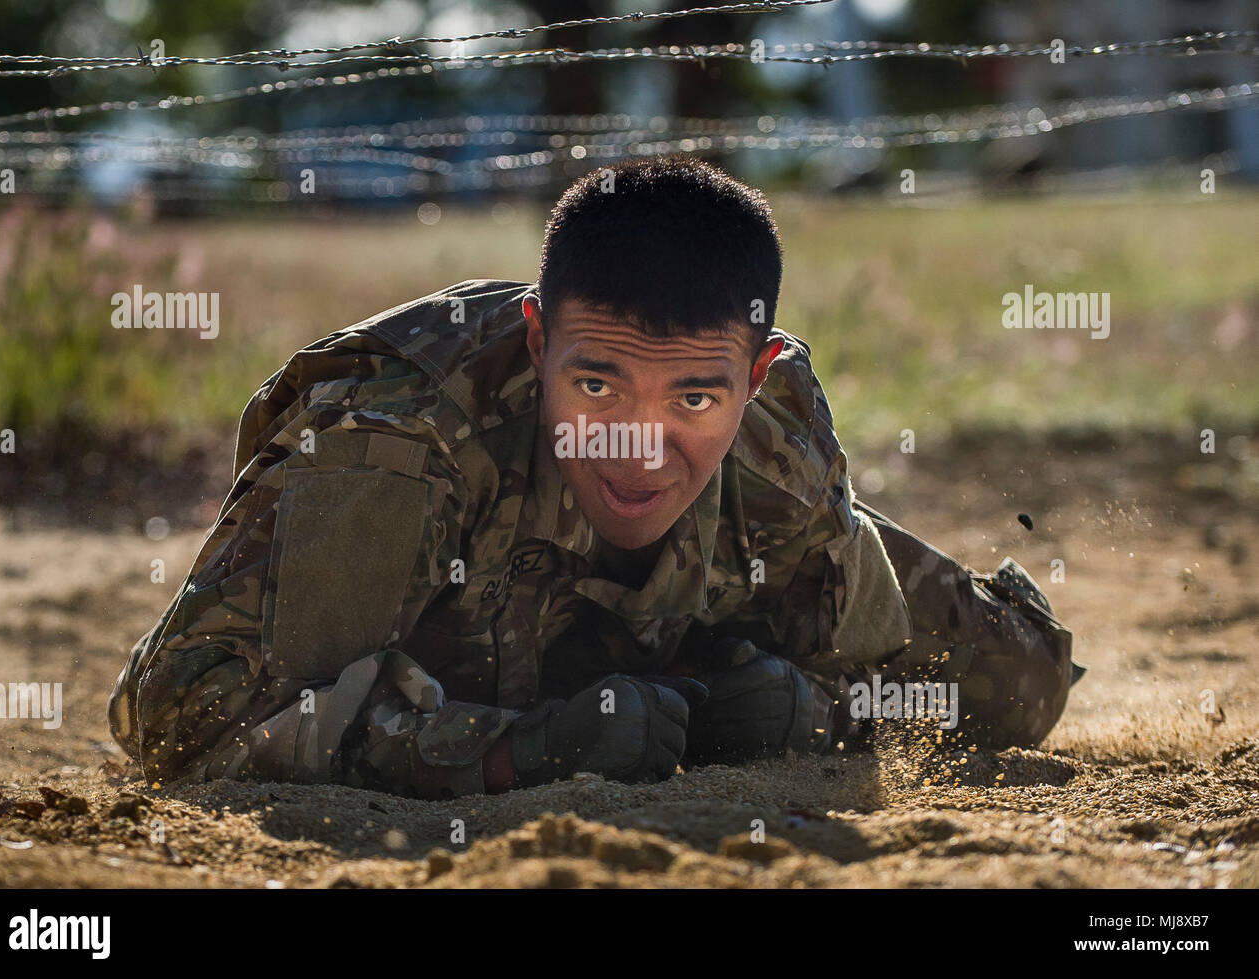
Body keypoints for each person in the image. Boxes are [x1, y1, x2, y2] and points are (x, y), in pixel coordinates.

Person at [108, 155, 1076, 799]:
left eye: (694, 399)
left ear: (756, 376)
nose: (637, 450)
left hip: (643, 627)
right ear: (536, 343)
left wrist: (812, 716)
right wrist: (504, 754)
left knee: (1016, 683)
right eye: (597, 383)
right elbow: (177, 721)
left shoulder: (777, 440)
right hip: (429, 646)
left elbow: (913, 688)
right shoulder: (398, 442)